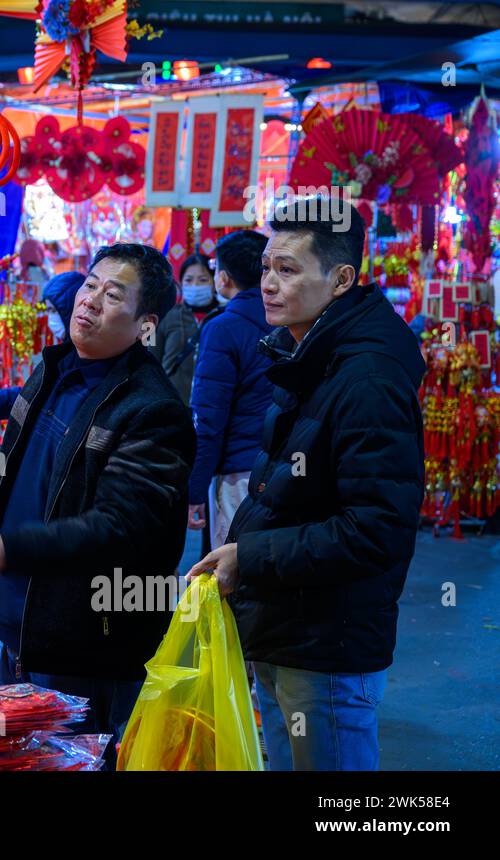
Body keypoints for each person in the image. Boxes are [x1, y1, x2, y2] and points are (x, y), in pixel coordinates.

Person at [0, 244, 195, 766]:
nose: (90, 300)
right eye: (91, 284)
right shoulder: (52, 369)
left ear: (146, 324)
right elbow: (15, 488)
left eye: (112, 294)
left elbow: (117, 529)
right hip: (20, 638)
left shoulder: (153, 412)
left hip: (87, 650)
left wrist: (3, 551)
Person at [190, 197, 425, 771]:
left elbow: (376, 528)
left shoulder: (366, 376)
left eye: (289, 270)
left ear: (341, 279)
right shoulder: (309, 355)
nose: (268, 284)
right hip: (286, 627)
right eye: (268, 267)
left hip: (328, 642)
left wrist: (253, 555)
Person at [186, 230, 273, 549]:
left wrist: (195, 488)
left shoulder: (223, 327)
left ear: (223, 278)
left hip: (238, 473)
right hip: (285, 471)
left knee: (230, 579)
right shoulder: (292, 319)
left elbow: (208, 419)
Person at [0, 271, 85, 424]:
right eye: (48, 311)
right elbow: (36, 395)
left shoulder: (81, 359)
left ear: (69, 309)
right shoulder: (65, 355)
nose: (50, 318)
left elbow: (42, 401)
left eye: (53, 311)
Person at [154, 253, 219, 404]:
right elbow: (152, 358)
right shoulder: (167, 316)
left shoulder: (224, 317)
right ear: (181, 283)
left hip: (211, 405)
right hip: (171, 403)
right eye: (189, 280)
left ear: (214, 283)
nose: (195, 285)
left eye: (203, 279)